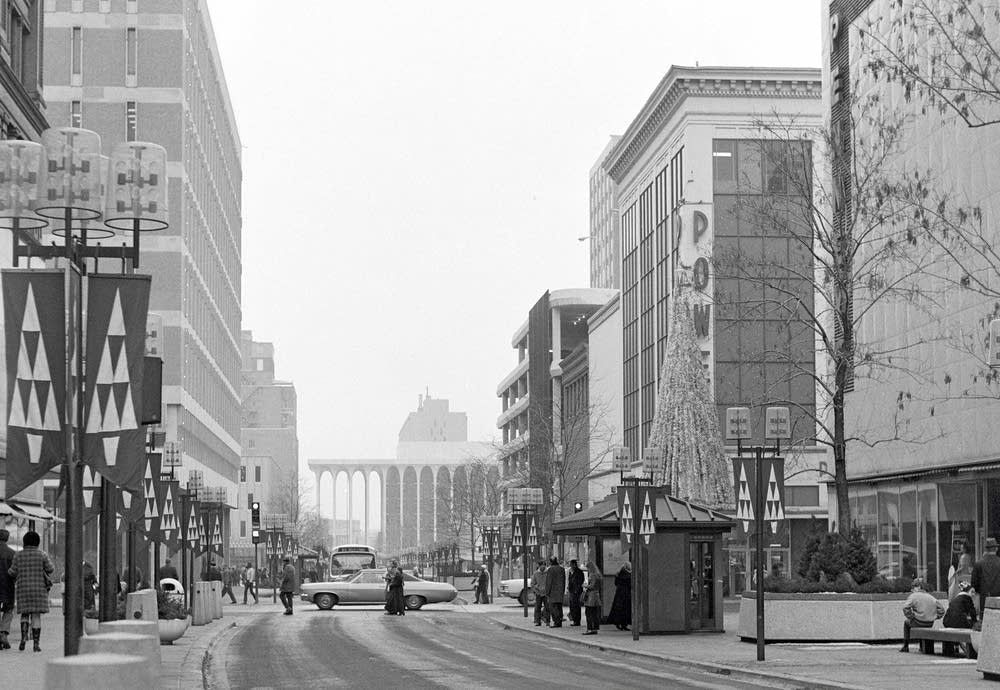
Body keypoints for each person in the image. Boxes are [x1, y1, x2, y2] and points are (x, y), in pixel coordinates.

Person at [7, 530, 54, 652]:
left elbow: (12, 572)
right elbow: (51, 569)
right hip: (38, 589)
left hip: (23, 588)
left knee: (24, 614)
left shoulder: (18, 555)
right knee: (36, 616)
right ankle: (36, 644)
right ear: (37, 542)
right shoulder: (42, 555)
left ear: (24, 542)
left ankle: (23, 639)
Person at [900, 578, 944, 653]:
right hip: (929, 623)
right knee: (923, 628)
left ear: (918, 587)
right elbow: (942, 610)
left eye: (913, 588)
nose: (912, 590)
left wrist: (911, 616)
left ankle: (906, 646)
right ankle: (921, 646)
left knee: (906, 623)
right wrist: (935, 617)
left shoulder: (914, 596)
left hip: (918, 621)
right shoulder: (931, 597)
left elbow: (905, 607)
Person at [972, 537, 1000, 614]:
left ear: (986, 550)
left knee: (984, 622)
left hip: (983, 600)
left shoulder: (979, 564)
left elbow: (974, 584)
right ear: (996, 549)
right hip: (998, 599)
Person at [0, 529, 15, 650]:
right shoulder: (12, 553)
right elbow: (15, 572)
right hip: (7, 586)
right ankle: (3, 633)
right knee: (8, 610)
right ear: (7, 538)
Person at [607, 563, 632, 631]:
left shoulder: (618, 574)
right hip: (626, 594)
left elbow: (616, 583)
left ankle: (618, 623)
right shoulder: (629, 574)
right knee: (626, 609)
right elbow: (630, 584)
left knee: (618, 609)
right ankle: (624, 624)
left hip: (619, 593)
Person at [545, 556, 565, 627]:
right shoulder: (562, 569)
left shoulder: (550, 569)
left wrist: (547, 592)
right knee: (559, 607)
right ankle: (559, 621)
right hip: (560, 591)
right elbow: (564, 581)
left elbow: (549, 582)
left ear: (550, 562)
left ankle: (556, 622)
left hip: (553, 591)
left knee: (553, 607)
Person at [583, 562, 602, 635]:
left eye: (587, 568)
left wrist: (585, 586)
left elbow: (592, 586)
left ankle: (590, 628)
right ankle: (595, 628)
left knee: (589, 613)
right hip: (596, 595)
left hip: (591, 596)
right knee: (594, 613)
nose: (587, 570)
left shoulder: (592, 575)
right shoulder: (598, 575)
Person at [530, 560, 549, 626]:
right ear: (539, 566)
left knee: (547, 607)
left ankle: (547, 620)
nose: (543, 567)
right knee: (538, 607)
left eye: (544, 565)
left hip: (546, 593)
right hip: (538, 593)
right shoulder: (536, 574)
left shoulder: (548, 573)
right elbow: (532, 584)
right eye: (541, 565)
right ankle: (538, 621)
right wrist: (536, 589)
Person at [566, 559, 584, 627]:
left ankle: (577, 621)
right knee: (572, 606)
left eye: (571, 565)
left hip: (576, 592)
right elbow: (570, 581)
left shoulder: (579, 572)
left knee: (576, 606)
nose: (570, 566)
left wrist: (576, 590)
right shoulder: (571, 572)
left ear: (574, 565)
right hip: (572, 591)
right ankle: (574, 619)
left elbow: (580, 581)